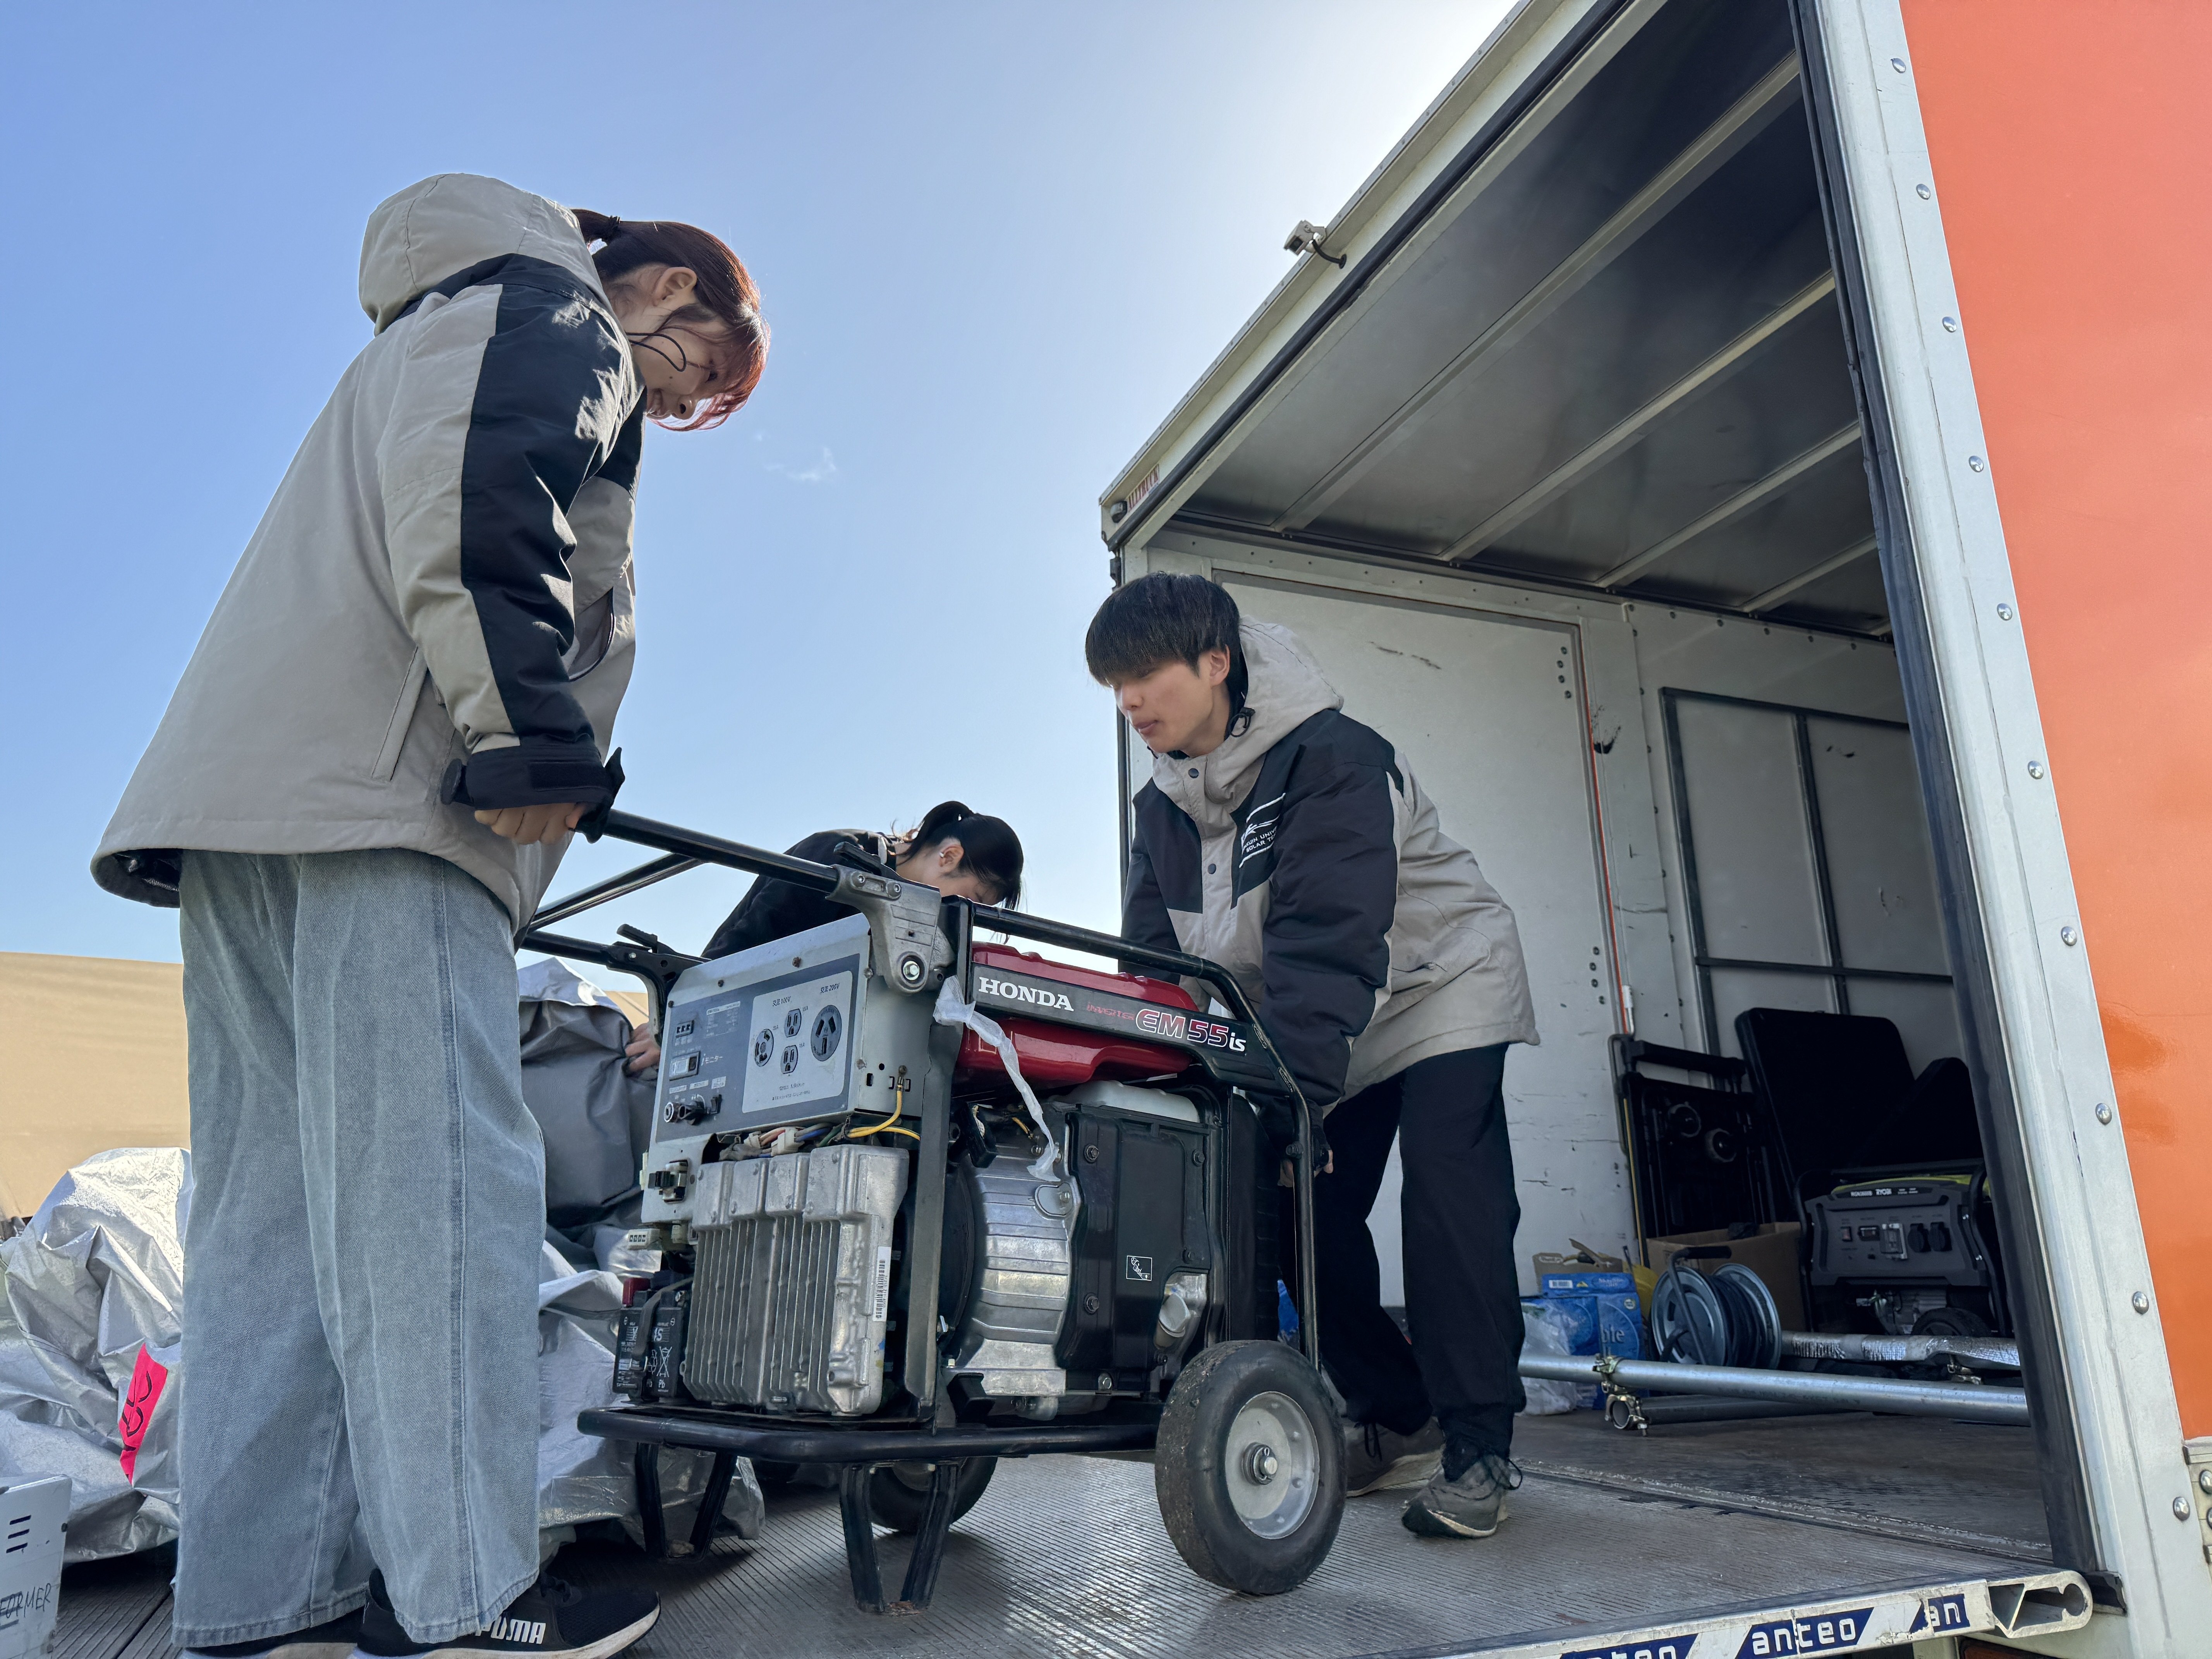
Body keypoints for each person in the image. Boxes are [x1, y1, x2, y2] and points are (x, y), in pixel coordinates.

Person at [92, 175, 767, 1659]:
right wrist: (531, 731)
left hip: (255, 807)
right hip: (393, 804)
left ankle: (265, 1601)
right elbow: (481, 488)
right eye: (698, 371)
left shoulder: (433, 316)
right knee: (436, 1200)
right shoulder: (555, 313)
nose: (682, 400)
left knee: (271, 1221)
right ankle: (467, 1595)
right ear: (663, 291)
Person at [1086, 573, 1538, 1541]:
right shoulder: (1158, 813)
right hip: (1320, 1024)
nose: (1129, 703)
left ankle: (1478, 1446)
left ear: (1216, 663)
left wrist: (1294, 1103)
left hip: (1432, 986)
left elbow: (1327, 941)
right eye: (1112, 686)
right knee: (1292, 1211)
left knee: (1447, 1192)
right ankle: (1401, 1411)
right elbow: (1155, 974)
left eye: (1144, 677)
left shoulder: (1334, 758)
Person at [618, 804, 1024, 1074]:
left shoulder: (922, 921)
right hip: (747, 1031)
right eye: (971, 899)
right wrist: (685, 1025)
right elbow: (749, 941)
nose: (960, 915)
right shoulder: (838, 859)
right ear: (949, 856)